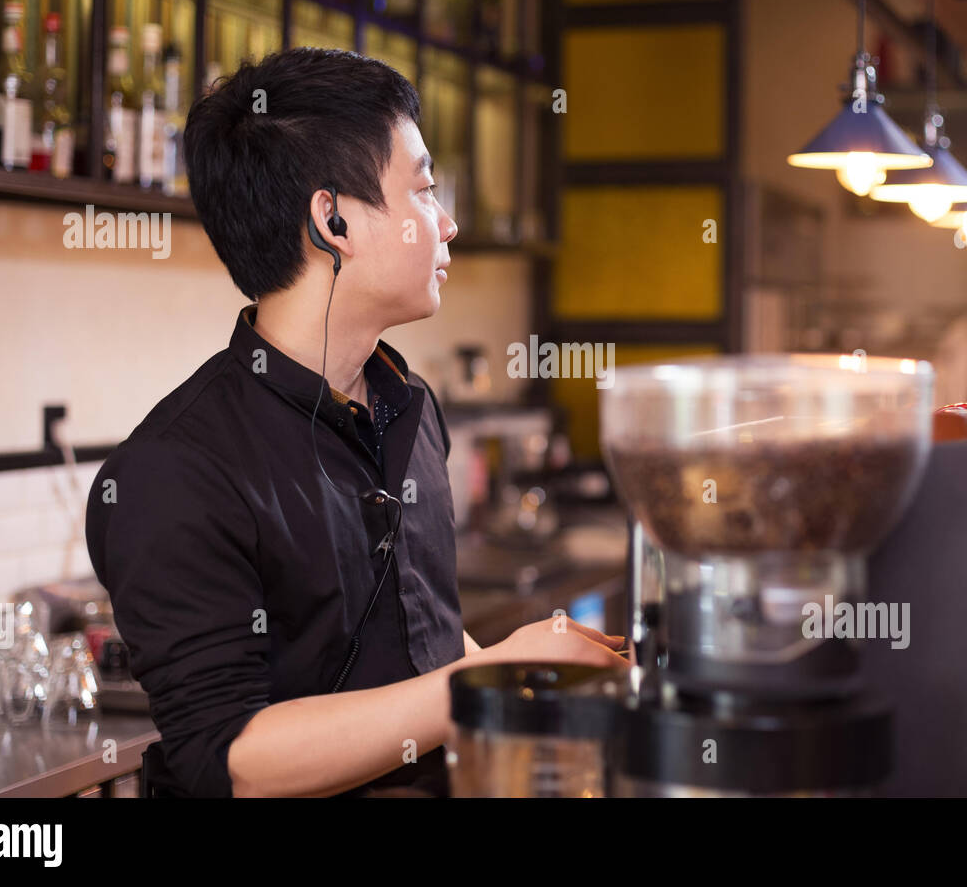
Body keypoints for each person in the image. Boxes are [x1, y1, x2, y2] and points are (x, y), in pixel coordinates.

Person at [84, 47, 629, 798]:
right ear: (333, 219)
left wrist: (508, 678)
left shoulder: (408, 404)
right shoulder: (173, 470)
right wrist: (489, 675)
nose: (449, 223)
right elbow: (233, 757)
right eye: (426, 190)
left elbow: (426, 640)